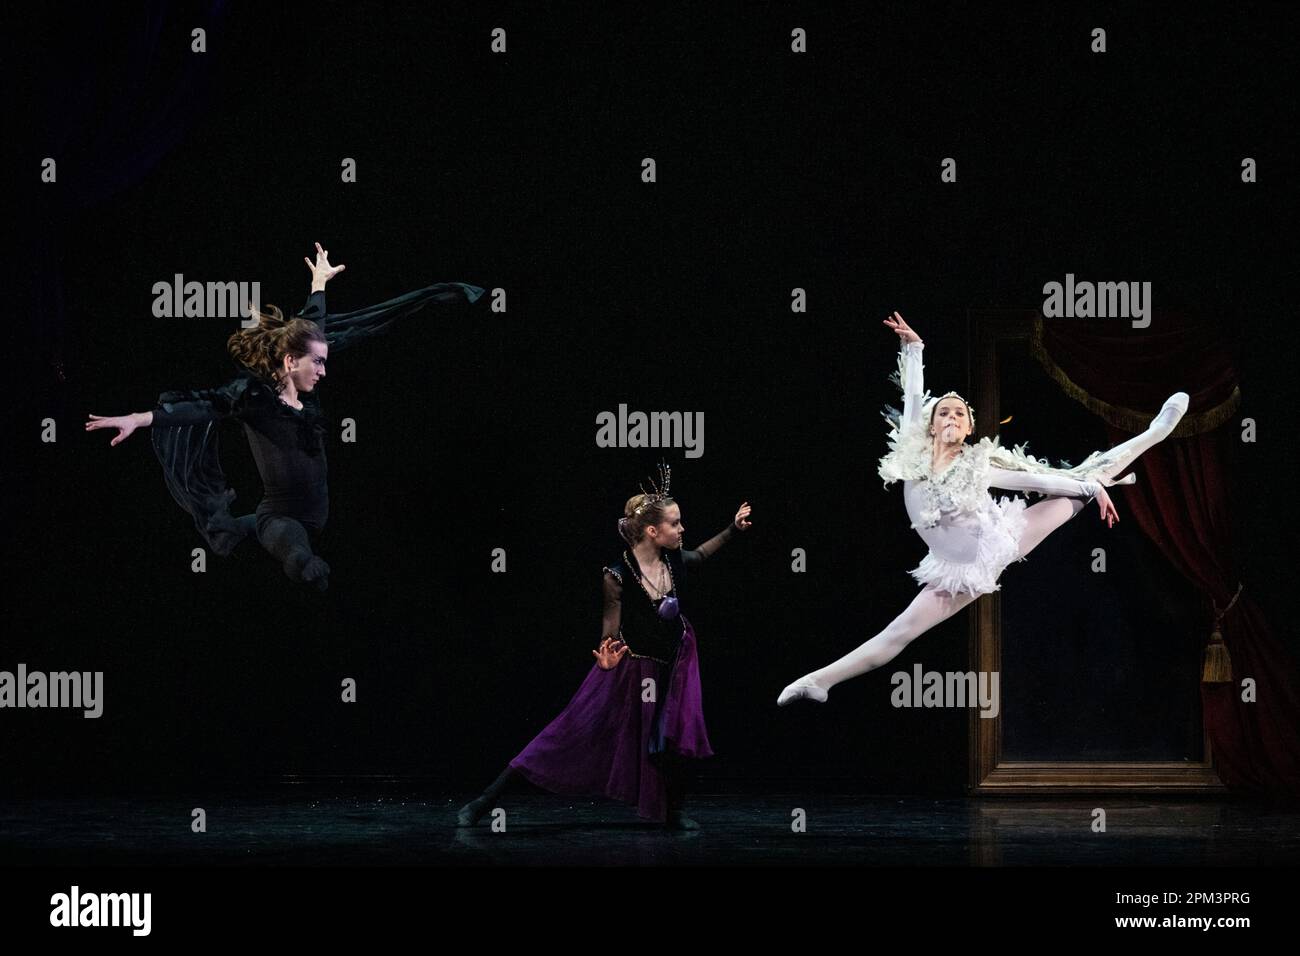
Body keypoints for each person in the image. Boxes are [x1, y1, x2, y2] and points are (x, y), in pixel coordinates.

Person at [778, 311, 1188, 705]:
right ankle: (818, 681)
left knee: (1082, 484)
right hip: (955, 570)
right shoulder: (911, 450)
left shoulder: (981, 464)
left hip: (1004, 539)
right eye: (945, 412)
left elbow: (1038, 481)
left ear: (970, 428)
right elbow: (914, 396)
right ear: (932, 424)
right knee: (899, 632)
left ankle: (1154, 433)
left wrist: (1088, 487)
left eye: (960, 412)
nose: (952, 416)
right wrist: (916, 348)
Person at [85, 242, 483, 588]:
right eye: (319, 363)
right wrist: (139, 418)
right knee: (287, 544)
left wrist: (319, 284)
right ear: (291, 362)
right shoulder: (255, 398)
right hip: (281, 516)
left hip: (319, 513)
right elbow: (201, 406)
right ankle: (298, 560)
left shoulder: (300, 373)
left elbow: (315, 321)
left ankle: (250, 533)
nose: (324, 371)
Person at [458, 464, 753, 829]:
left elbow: (702, 555)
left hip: (676, 661)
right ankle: (485, 802)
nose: (682, 529)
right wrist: (607, 652)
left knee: (675, 739)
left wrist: (732, 530)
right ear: (652, 530)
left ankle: (672, 812)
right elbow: (610, 625)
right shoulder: (616, 574)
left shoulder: (675, 559)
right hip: (634, 666)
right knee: (568, 732)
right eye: (675, 524)